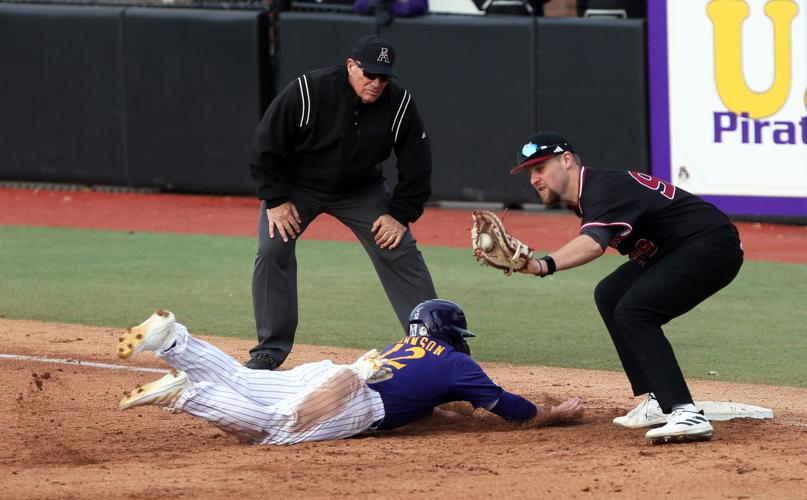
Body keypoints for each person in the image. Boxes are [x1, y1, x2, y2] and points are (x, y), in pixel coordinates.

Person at [508, 132, 743, 444]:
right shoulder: (592, 191)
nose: (534, 179)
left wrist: (542, 265)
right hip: (676, 249)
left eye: (540, 168)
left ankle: (685, 412)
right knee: (610, 294)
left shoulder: (600, 188)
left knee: (635, 311)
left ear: (567, 160)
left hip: (710, 245)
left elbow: (593, 245)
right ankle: (660, 400)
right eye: (529, 173)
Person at [114, 301, 585, 445]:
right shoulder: (458, 364)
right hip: (353, 398)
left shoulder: (407, 345)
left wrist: (440, 414)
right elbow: (512, 409)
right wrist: (554, 413)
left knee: (246, 382)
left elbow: (418, 396)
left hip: (334, 373)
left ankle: (175, 341)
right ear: (452, 332)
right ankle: (185, 395)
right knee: (274, 431)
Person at [246, 34, 438, 371]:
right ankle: (269, 349)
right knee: (273, 248)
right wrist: (275, 200)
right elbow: (266, 145)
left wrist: (399, 214)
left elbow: (417, 165)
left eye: (384, 77)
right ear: (351, 66)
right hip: (297, 187)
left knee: (398, 247)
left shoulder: (398, 102)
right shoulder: (308, 90)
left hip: (360, 190)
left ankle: (436, 345)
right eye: (370, 74)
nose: (376, 83)